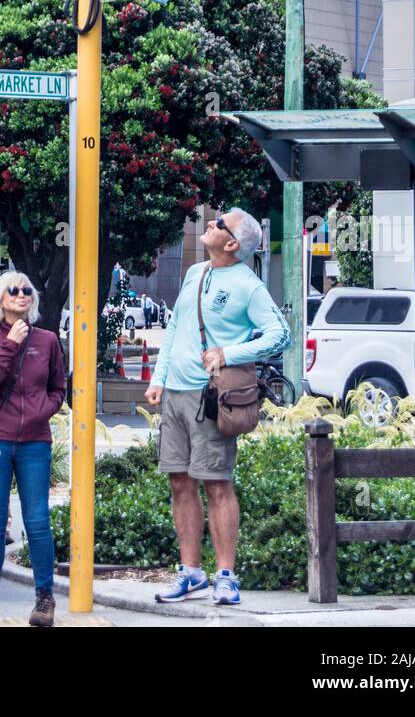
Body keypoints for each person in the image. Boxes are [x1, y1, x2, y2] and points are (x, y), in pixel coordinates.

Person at [145, 209, 291, 606]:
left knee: (217, 484)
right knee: (179, 482)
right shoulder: (196, 272)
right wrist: (158, 378)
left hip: (211, 396)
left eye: (219, 223)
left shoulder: (249, 285)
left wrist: (230, 353)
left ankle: (226, 576)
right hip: (174, 392)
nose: (211, 223)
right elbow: (175, 326)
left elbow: (281, 334)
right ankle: (191, 573)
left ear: (232, 244)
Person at [0, 274, 65, 628]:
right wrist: (10, 343)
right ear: (0, 299)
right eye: (14, 290)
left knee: (38, 521)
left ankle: (44, 598)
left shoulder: (48, 340)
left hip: (35, 440)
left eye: (27, 290)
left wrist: (43, 410)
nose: (22, 295)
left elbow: (59, 386)